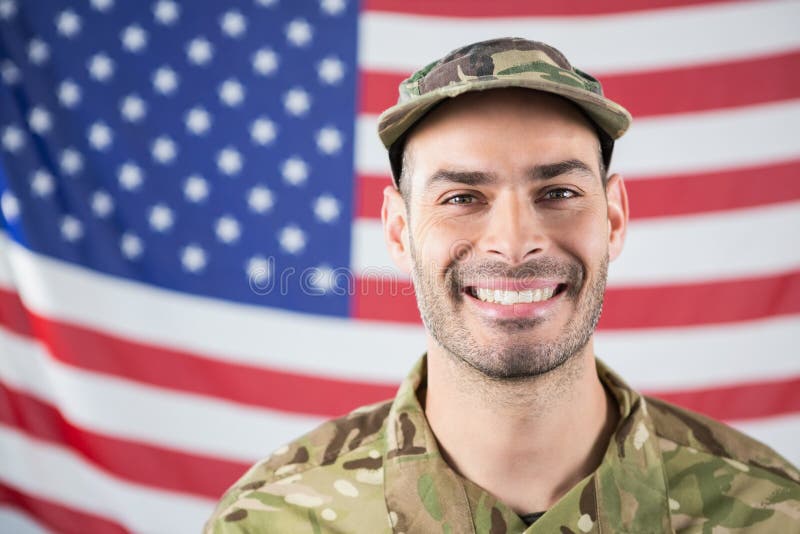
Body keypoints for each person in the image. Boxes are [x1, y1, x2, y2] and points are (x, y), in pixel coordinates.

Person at [205, 38, 800, 533]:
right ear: (398, 230)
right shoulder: (271, 520)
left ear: (613, 218)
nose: (515, 243)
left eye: (559, 193)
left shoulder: (771, 513)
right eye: (462, 198)